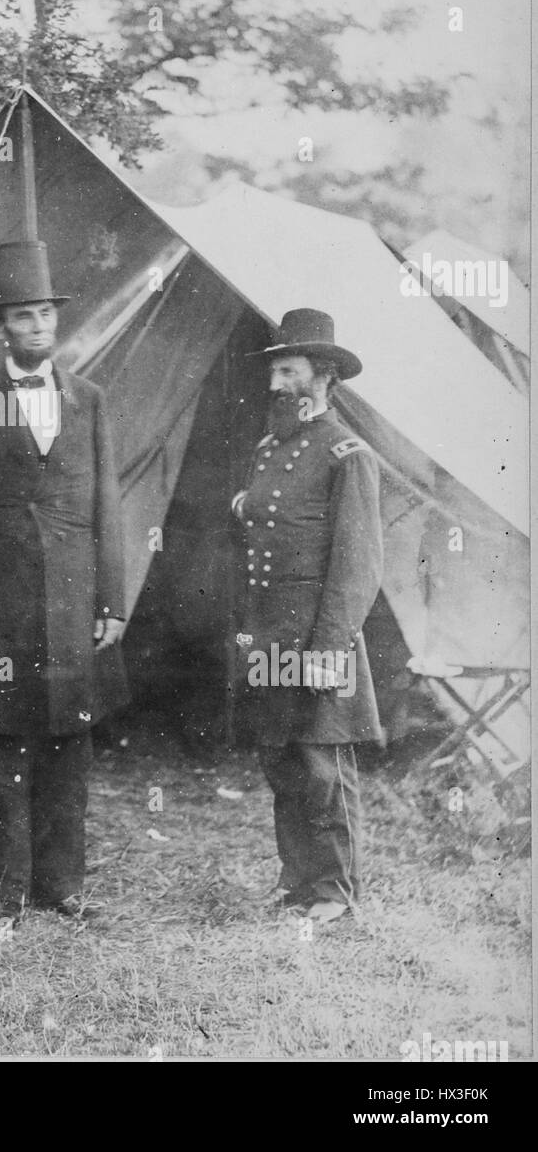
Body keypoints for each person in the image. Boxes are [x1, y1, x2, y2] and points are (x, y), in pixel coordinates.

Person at [0, 241, 129, 936]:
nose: (40, 327)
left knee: (71, 749)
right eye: (24, 316)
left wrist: (111, 602)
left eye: (46, 313)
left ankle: (63, 886)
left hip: (78, 600)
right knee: (8, 749)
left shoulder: (91, 400)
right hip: (5, 600)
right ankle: (6, 894)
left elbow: (111, 507)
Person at [233, 309, 383, 925]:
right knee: (282, 758)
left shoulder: (348, 454)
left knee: (324, 764)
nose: (275, 384)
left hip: (318, 632)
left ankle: (334, 892)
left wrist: (329, 648)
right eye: (273, 369)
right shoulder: (269, 449)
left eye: (287, 370)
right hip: (269, 631)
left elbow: (358, 564)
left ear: (322, 376)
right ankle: (297, 880)